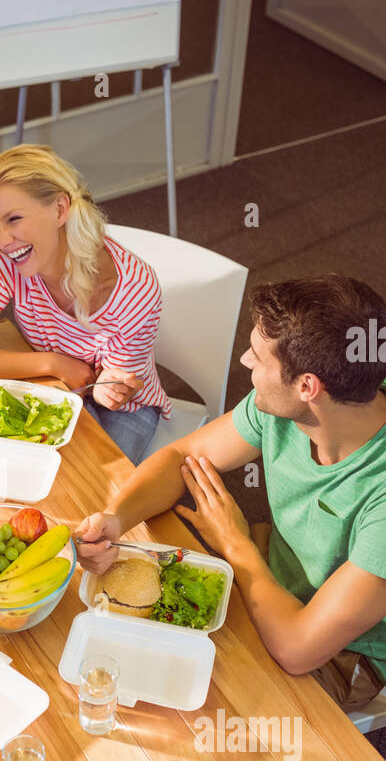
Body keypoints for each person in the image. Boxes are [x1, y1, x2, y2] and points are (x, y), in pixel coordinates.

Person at [76, 276, 386, 712]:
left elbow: (298, 648)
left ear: (307, 386)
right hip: (266, 577)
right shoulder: (286, 410)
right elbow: (181, 457)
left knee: (184, 705)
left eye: (257, 357)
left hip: (339, 654)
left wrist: (234, 542)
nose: (244, 361)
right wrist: (116, 518)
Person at [0, 144, 170, 465]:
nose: (2, 239)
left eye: (14, 219)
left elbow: (106, 390)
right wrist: (53, 363)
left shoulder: (135, 290)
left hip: (125, 411)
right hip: (54, 383)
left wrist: (108, 389)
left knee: (91, 491)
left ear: (60, 210)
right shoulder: (9, 257)